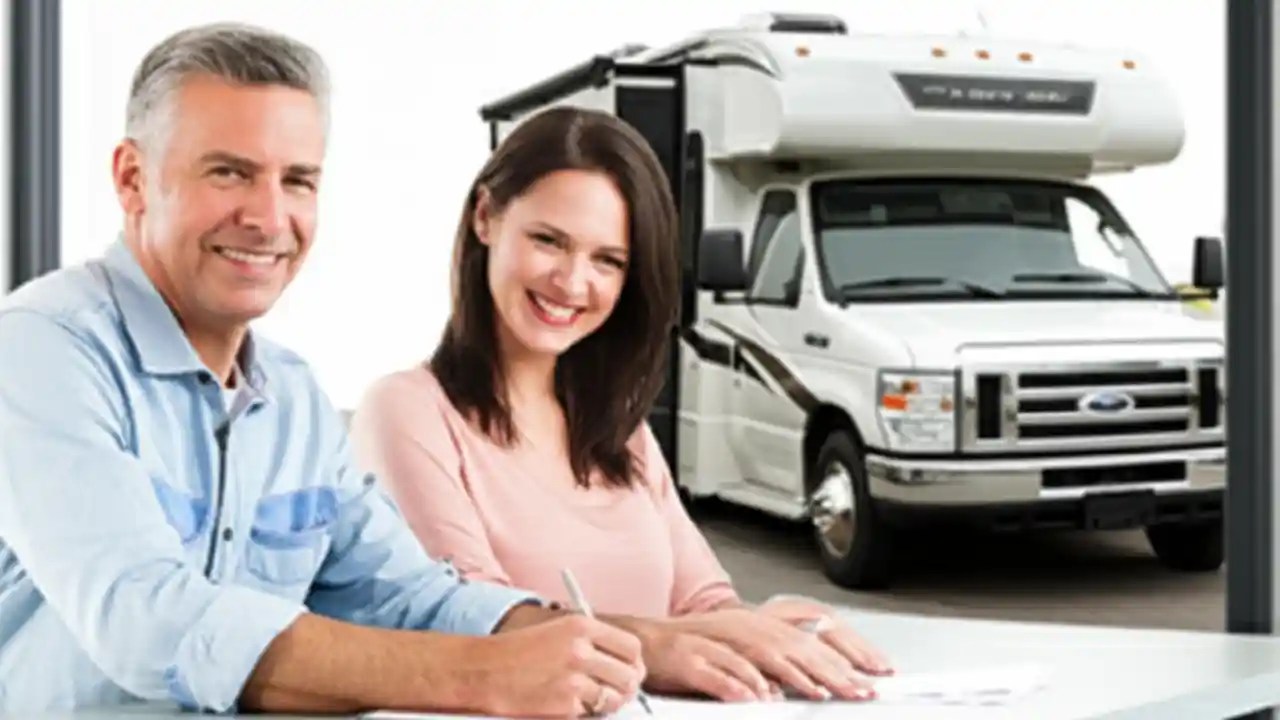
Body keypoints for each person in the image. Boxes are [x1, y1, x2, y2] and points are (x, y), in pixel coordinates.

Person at [0, 23, 750, 719]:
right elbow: (149, 621)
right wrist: (488, 677)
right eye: (229, 173)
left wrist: (604, 647)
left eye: (298, 181)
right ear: (132, 179)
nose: (268, 218)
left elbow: (410, 595)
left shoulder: (291, 399)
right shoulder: (44, 348)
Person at [350, 105, 894, 704]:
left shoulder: (621, 428)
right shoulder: (408, 412)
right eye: (548, 241)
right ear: (485, 217)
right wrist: (650, 647)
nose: (573, 282)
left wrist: (766, 627)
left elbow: (701, 604)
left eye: (607, 260)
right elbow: (475, 622)